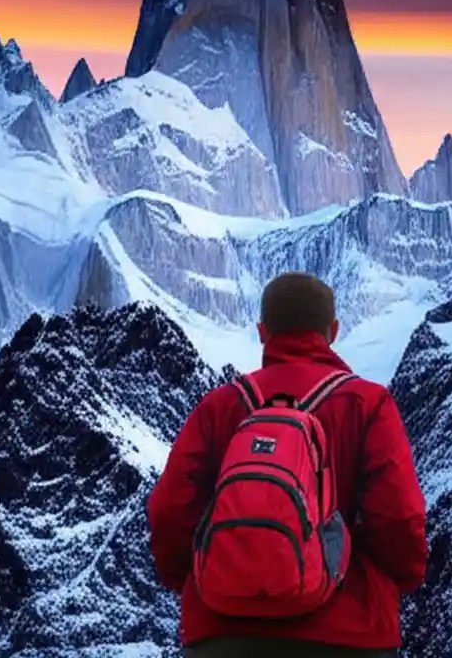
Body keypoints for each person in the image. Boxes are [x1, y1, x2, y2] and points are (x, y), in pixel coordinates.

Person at [147, 272, 428, 657]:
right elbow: (399, 515)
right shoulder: (368, 404)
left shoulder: (219, 406)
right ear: (334, 329)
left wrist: (196, 579)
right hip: (349, 634)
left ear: (262, 332)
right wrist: (400, 579)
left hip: (223, 631)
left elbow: (170, 510)